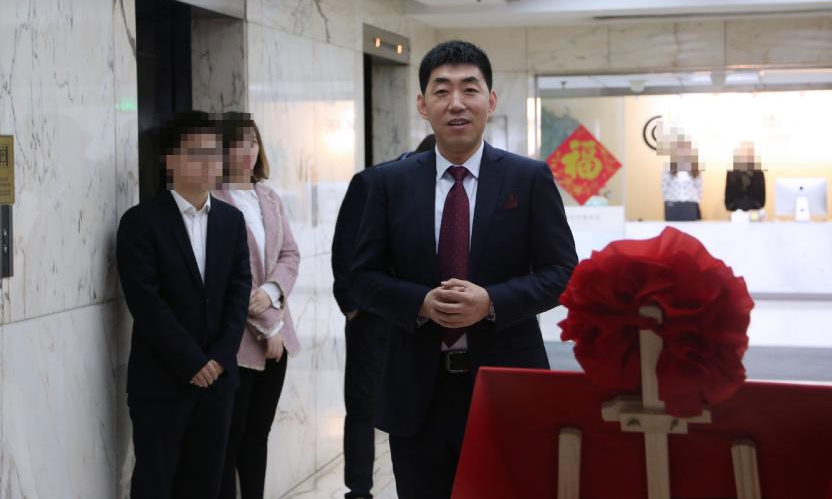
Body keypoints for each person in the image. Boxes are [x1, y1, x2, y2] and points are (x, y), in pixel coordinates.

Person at [352, 40, 578, 499]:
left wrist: (491, 302)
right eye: (441, 90)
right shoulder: (389, 183)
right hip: (417, 391)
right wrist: (420, 302)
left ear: (490, 101)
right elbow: (361, 277)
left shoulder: (528, 178)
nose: (456, 102)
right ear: (423, 105)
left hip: (507, 384)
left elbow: (562, 272)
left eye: (469, 89)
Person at [116, 111, 252, 499]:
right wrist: (193, 362)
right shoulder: (141, 222)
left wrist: (220, 358)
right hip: (161, 381)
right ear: (170, 159)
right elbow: (146, 302)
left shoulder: (231, 221)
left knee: (209, 484)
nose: (208, 163)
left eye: (214, 153)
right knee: (156, 484)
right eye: (196, 153)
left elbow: (239, 292)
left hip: (218, 382)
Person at [333, 133, 436, 499]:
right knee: (362, 406)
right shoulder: (373, 181)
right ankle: (359, 490)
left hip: (430, 319)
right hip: (374, 318)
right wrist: (353, 307)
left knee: (421, 406)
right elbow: (345, 247)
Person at [213, 114, 301, 499]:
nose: (246, 150)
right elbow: (229, 276)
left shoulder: (269, 198)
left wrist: (272, 291)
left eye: (252, 142)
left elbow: (290, 254)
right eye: (236, 144)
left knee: (258, 436)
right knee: (230, 438)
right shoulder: (215, 201)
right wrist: (269, 324)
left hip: (277, 337)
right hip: (239, 341)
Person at [661, 134, 703, 221]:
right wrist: (669, 202)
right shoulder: (668, 169)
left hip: (690, 205)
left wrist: (695, 201)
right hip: (673, 206)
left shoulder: (695, 169)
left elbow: (699, 189)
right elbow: (664, 188)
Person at [724, 141, 765, 212]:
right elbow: (728, 192)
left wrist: (756, 205)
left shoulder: (758, 172)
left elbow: (761, 193)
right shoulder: (732, 171)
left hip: (754, 208)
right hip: (735, 208)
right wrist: (732, 205)